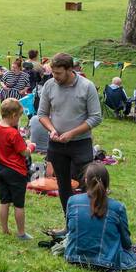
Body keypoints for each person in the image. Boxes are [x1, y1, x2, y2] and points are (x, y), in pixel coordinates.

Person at [37, 53, 102, 224]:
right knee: (63, 185)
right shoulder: (49, 85)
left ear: (70, 69)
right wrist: (52, 130)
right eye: (53, 72)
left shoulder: (87, 86)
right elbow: (42, 114)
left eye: (58, 73)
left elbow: (96, 117)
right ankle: (70, 223)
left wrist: (72, 133)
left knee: (89, 184)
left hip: (80, 143)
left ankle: (93, 221)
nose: (54, 76)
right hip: (57, 144)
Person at [62, 163, 136, 272]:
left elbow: (69, 231)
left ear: (86, 180)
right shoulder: (118, 207)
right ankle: (134, 264)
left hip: (74, 259)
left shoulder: (72, 201)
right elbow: (126, 243)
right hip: (107, 264)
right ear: (107, 183)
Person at [0, 97, 33, 240]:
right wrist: (30, 145)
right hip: (16, 171)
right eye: (19, 117)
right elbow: (24, 152)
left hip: (0, 169)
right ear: (14, 116)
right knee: (19, 204)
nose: (18, 121)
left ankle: (4, 229)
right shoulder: (13, 133)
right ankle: (21, 233)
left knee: (4, 201)